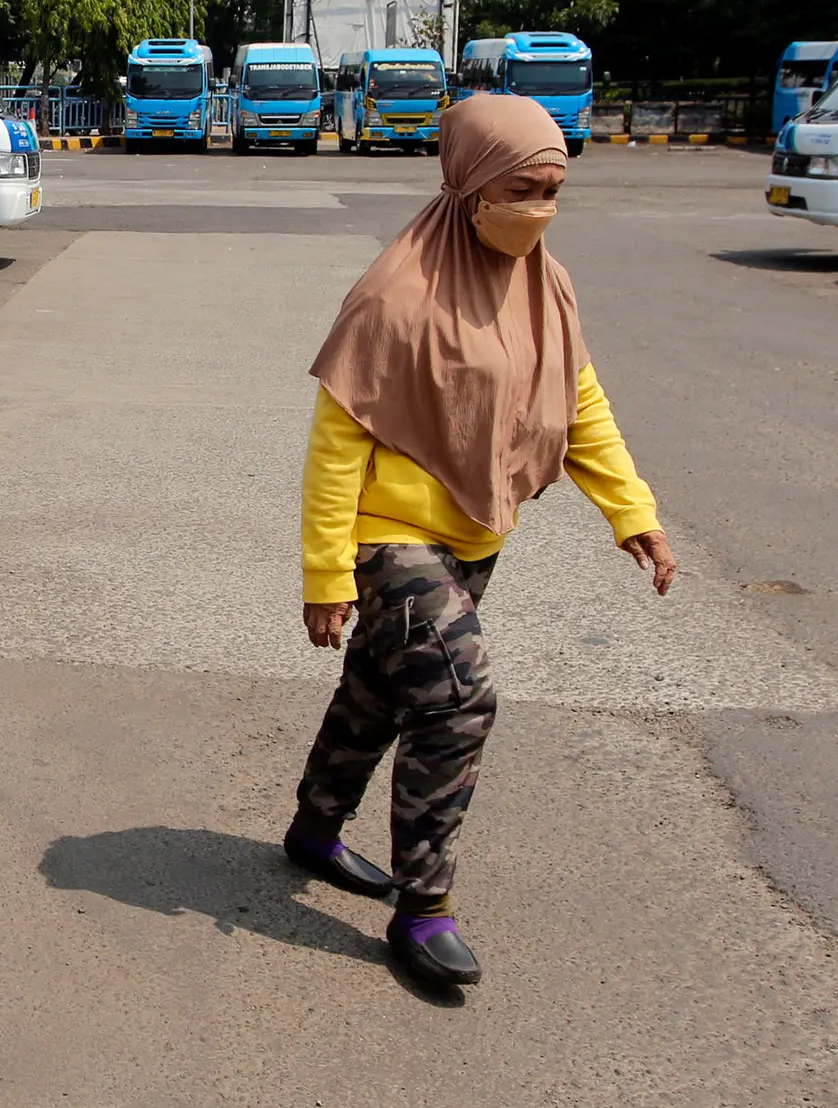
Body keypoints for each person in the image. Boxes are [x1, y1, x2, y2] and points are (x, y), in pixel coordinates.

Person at [282, 93, 677, 987]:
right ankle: (423, 912)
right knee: (459, 700)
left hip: (475, 535)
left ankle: (314, 828)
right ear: (471, 188)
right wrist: (325, 574)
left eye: (553, 188)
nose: (539, 206)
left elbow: (580, 406)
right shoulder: (394, 295)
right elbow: (337, 447)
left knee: (382, 692)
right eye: (522, 188)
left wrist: (634, 514)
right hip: (391, 538)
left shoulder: (546, 281)